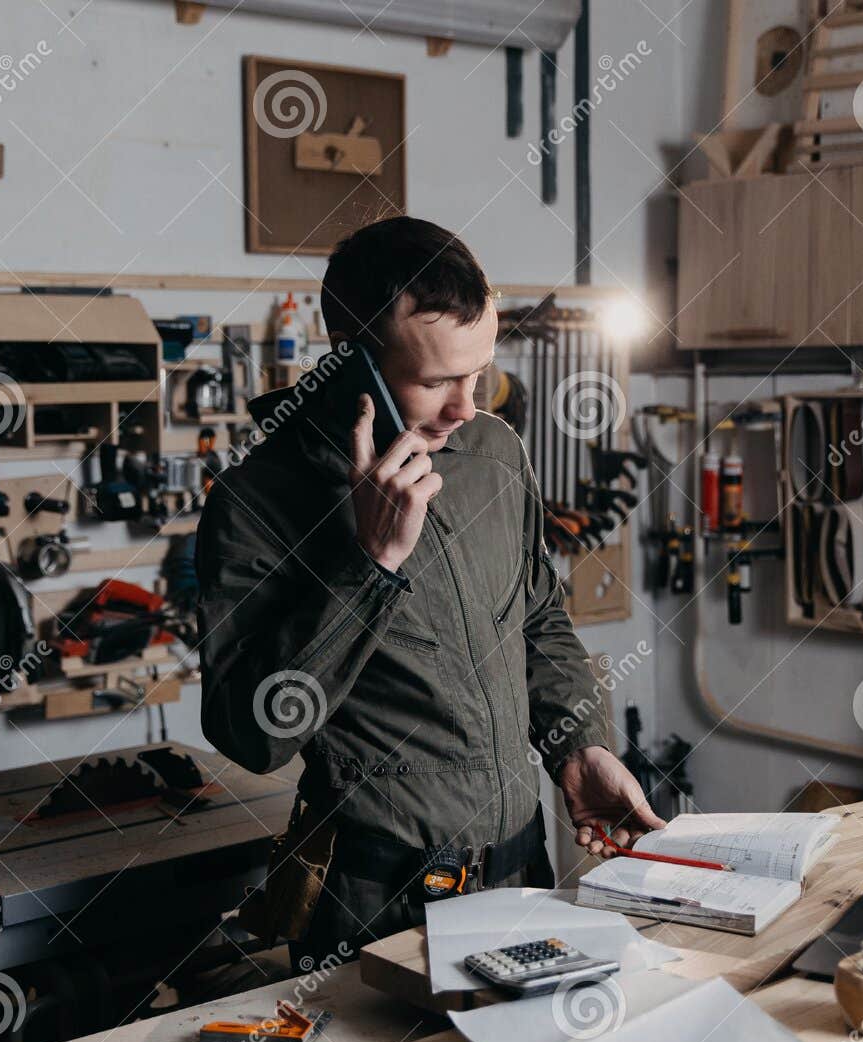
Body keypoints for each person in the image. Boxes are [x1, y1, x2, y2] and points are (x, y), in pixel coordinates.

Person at [196, 215, 662, 967]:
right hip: (377, 908)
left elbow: (537, 619)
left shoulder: (493, 453)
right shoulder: (256, 501)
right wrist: (367, 565)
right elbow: (252, 732)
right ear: (353, 362)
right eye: (436, 380)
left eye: (477, 371)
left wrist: (578, 747)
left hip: (522, 879)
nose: (465, 407)